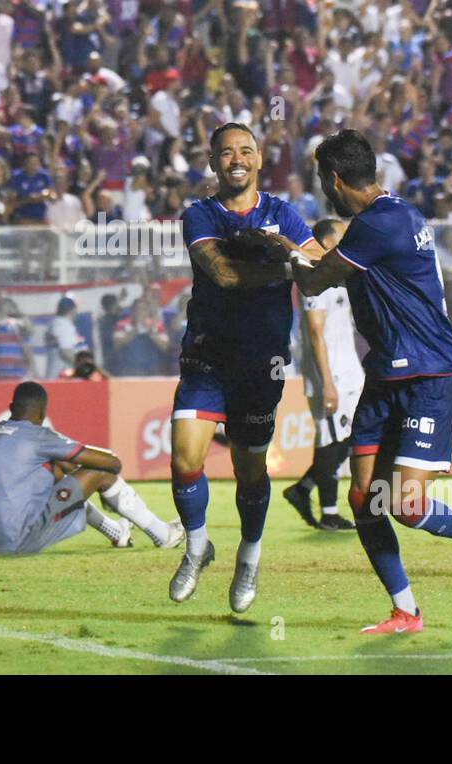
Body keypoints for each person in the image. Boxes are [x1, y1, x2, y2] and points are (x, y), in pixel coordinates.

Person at [258, 129, 452, 634]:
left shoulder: (378, 224)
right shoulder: (395, 213)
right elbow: (329, 268)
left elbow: (313, 279)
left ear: (332, 179)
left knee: (405, 505)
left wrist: (278, 254)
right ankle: (406, 611)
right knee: (362, 497)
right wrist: (291, 247)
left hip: (426, 375)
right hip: (385, 375)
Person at [167, 122, 322, 613]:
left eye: (246, 151)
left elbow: (319, 271)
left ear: (258, 160)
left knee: (249, 469)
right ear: (213, 163)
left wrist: (298, 255)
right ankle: (196, 547)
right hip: (207, 356)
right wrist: (286, 265)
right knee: (184, 458)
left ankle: (249, 557)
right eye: (226, 152)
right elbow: (224, 274)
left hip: (262, 363)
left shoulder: (283, 213)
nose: (236, 158)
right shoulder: (200, 214)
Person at [0, 381, 183, 553]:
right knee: (99, 474)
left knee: (55, 472)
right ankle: (162, 534)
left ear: (12, 408)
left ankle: (116, 532)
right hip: (12, 541)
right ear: (42, 413)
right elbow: (112, 463)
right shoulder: (38, 436)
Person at [283, 217, 366, 532]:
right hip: (331, 376)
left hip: (349, 372)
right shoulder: (312, 279)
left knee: (346, 438)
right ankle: (329, 512)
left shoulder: (336, 275)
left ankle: (302, 490)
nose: (347, 239)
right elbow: (316, 334)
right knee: (332, 440)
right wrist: (328, 382)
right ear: (327, 241)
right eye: (342, 235)